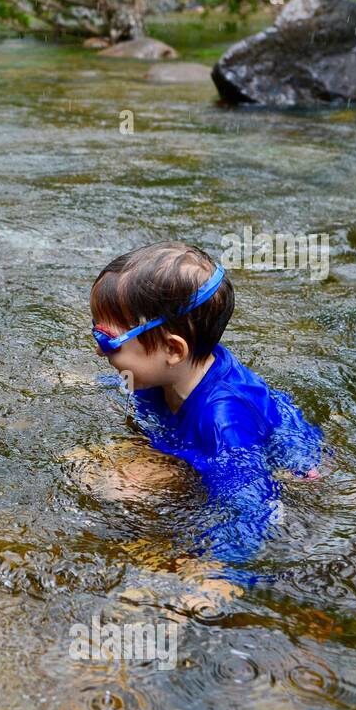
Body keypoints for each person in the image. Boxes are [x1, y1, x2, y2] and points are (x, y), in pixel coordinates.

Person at [89, 241, 323, 567]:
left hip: (275, 463)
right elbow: (127, 386)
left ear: (173, 350)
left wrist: (218, 576)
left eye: (107, 340)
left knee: (118, 486)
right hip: (208, 441)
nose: (100, 352)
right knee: (90, 470)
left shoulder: (223, 422)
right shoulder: (161, 374)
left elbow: (256, 510)